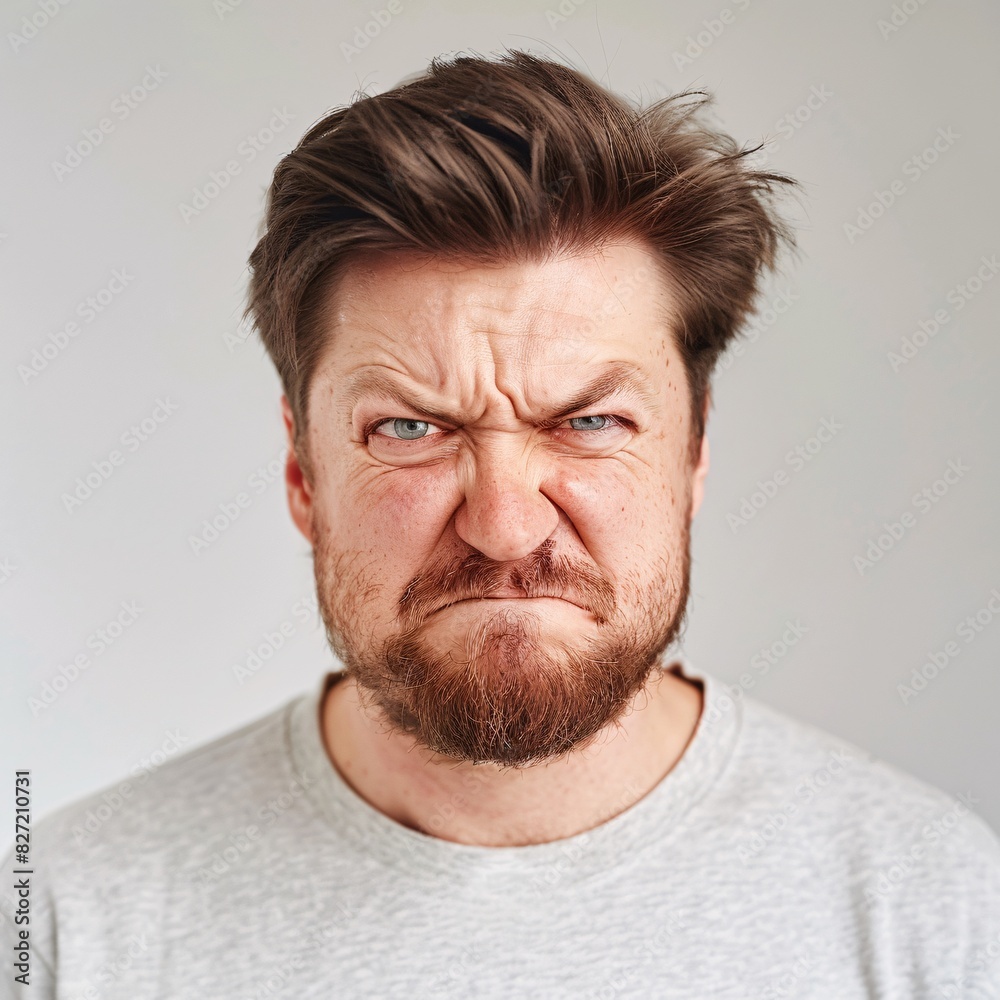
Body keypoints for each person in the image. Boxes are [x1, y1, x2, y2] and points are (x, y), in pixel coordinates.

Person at [4, 49, 999, 999]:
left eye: (590, 421)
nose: (505, 528)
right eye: (408, 427)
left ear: (692, 452)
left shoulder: (939, 908)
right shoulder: (61, 921)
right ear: (303, 468)